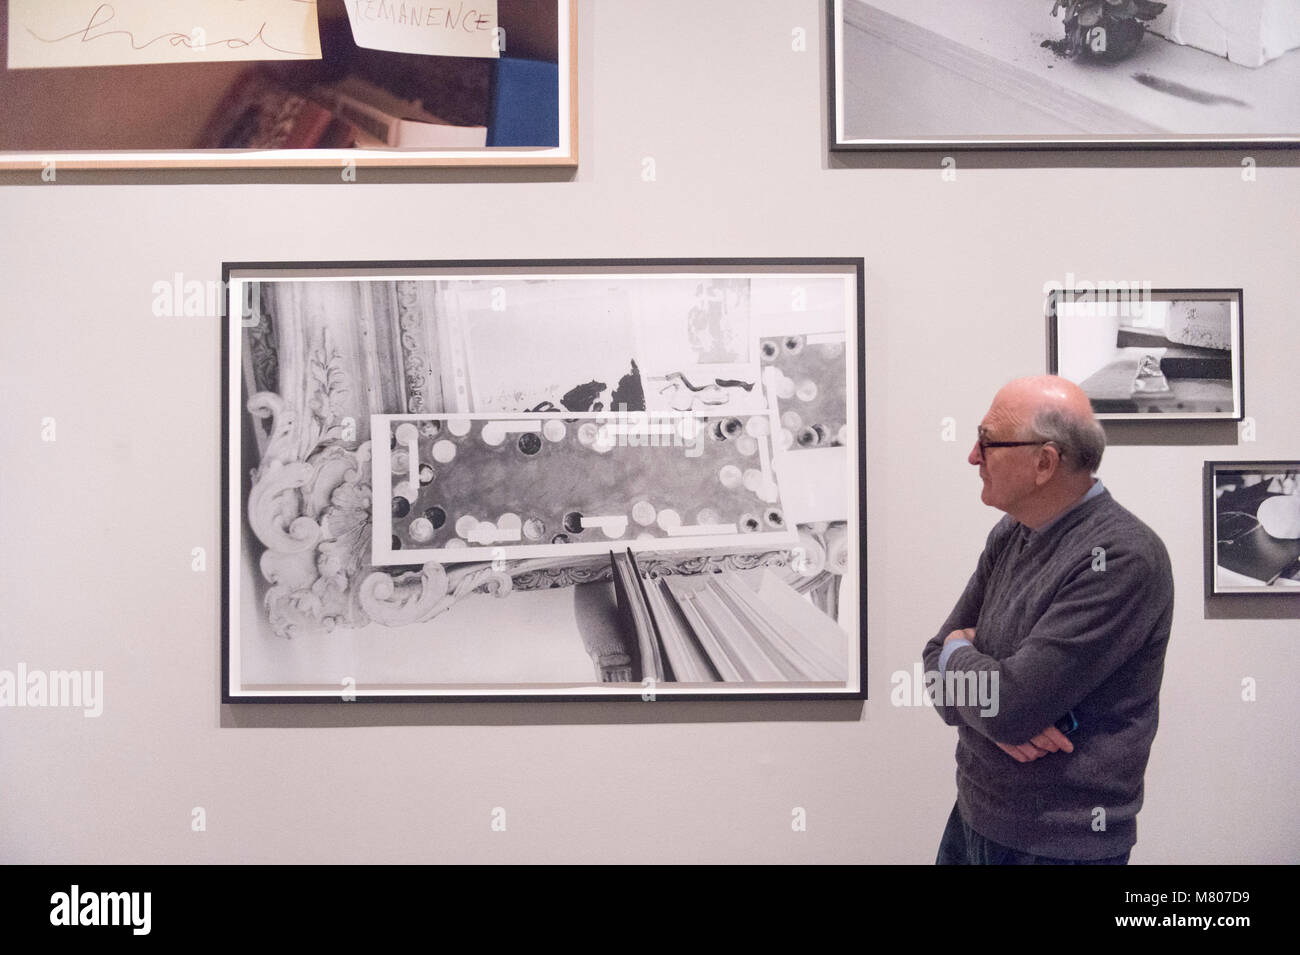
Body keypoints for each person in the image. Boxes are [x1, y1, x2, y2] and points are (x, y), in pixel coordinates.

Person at [923, 376, 1173, 864]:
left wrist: (963, 655)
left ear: (1044, 463)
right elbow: (933, 667)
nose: (973, 456)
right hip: (974, 817)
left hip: (1060, 846)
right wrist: (985, 695)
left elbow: (1010, 705)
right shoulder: (1012, 533)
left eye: (988, 441)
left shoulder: (1122, 558)